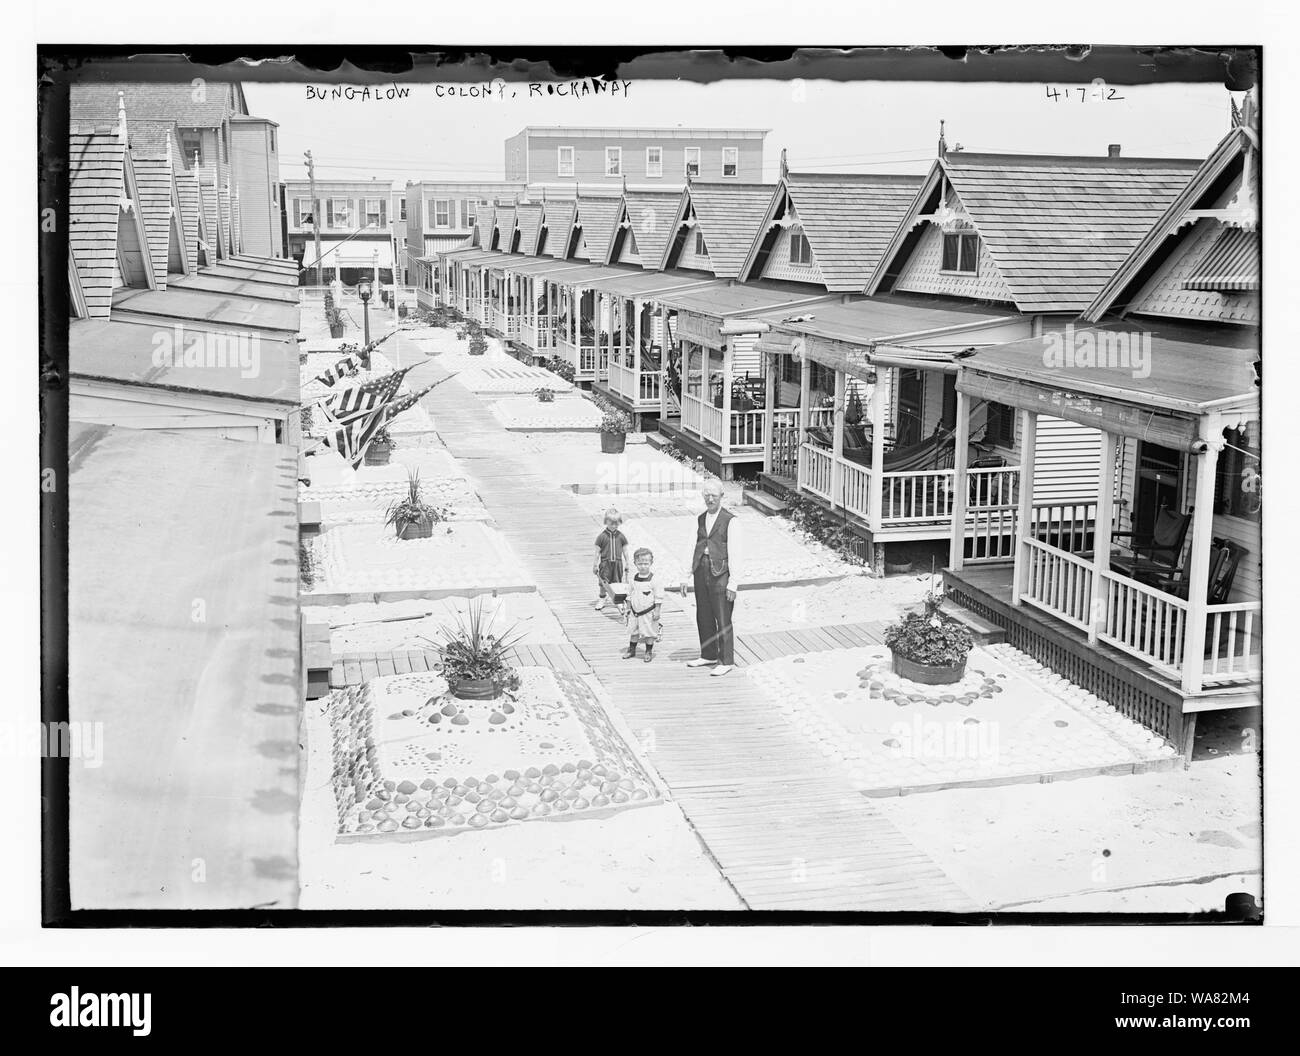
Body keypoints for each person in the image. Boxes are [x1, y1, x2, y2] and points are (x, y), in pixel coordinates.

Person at [685, 478, 742, 676]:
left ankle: (726, 660)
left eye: (714, 496)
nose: (710, 499)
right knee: (704, 613)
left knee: (723, 616)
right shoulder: (700, 518)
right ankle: (708, 654)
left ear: (721, 497)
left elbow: (736, 553)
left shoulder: (730, 521)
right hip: (702, 570)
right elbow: (695, 546)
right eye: (707, 495)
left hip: (721, 572)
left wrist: (733, 584)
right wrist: (687, 574)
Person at [619, 547, 664, 662]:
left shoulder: (654, 580)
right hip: (635, 612)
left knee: (649, 633)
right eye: (640, 564)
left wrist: (657, 611)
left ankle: (648, 651)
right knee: (633, 632)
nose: (643, 566)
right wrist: (628, 608)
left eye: (645, 563)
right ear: (635, 563)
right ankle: (631, 649)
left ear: (651, 563)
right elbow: (629, 594)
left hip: (648, 612)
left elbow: (658, 597)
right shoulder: (633, 579)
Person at [592, 507, 631, 612]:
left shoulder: (621, 536)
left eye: (616, 523)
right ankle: (602, 598)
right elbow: (597, 552)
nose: (614, 525)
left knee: (617, 582)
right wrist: (595, 565)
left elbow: (625, 551)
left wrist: (627, 562)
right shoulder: (602, 536)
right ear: (606, 522)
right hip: (605, 563)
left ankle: (618, 601)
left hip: (618, 563)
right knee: (603, 582)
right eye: (611, 523)